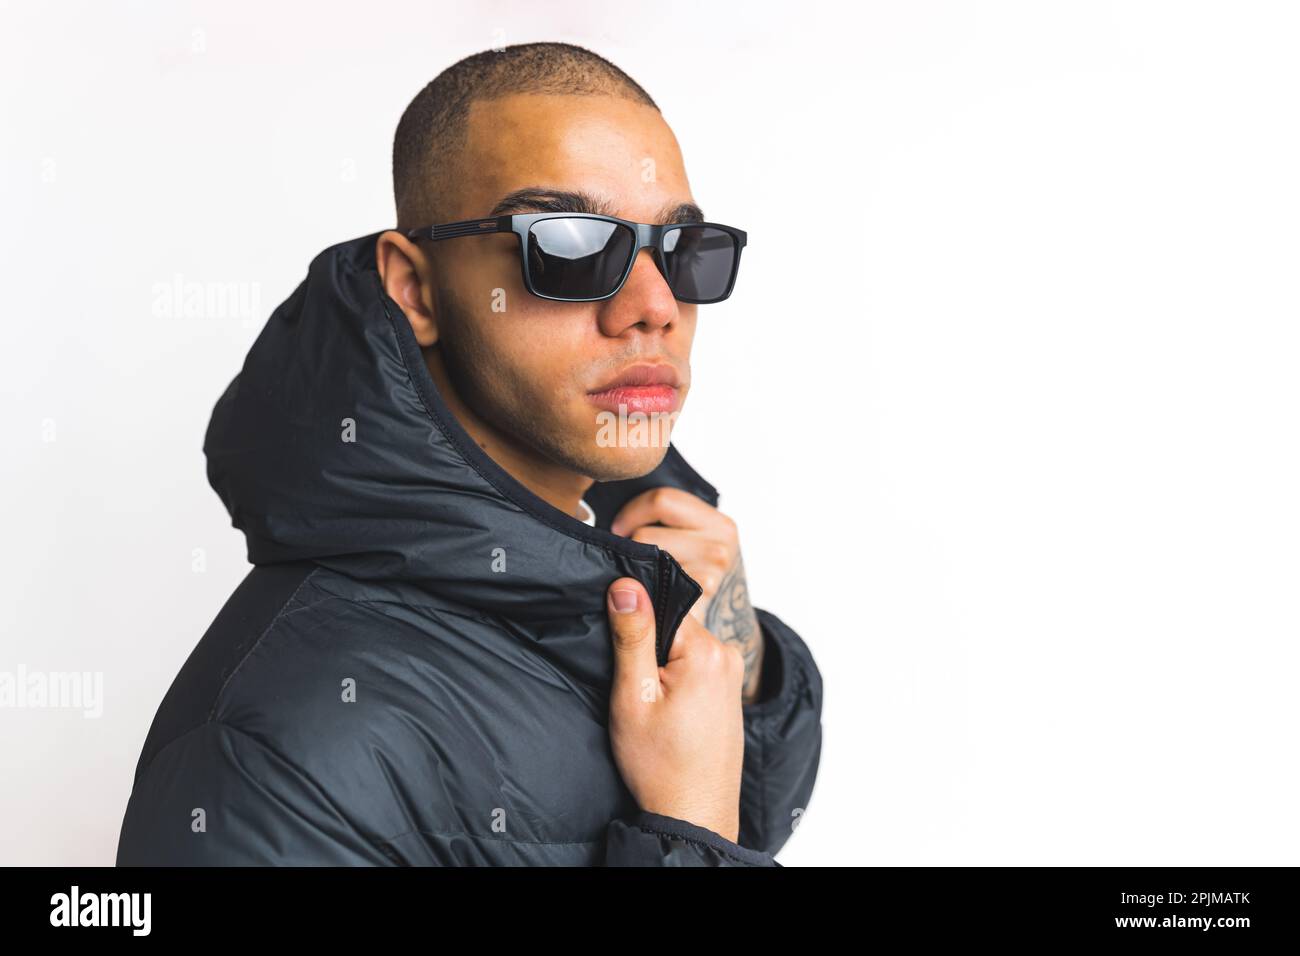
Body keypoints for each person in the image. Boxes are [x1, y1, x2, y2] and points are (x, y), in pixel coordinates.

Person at [116, 41, 822, 866]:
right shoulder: (273, 762)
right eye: (568, 242)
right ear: (416, 288)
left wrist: (740, 661)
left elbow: (756, 818)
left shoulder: (631, 574)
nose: (655, 305)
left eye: (680, 249)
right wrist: (690, 826)